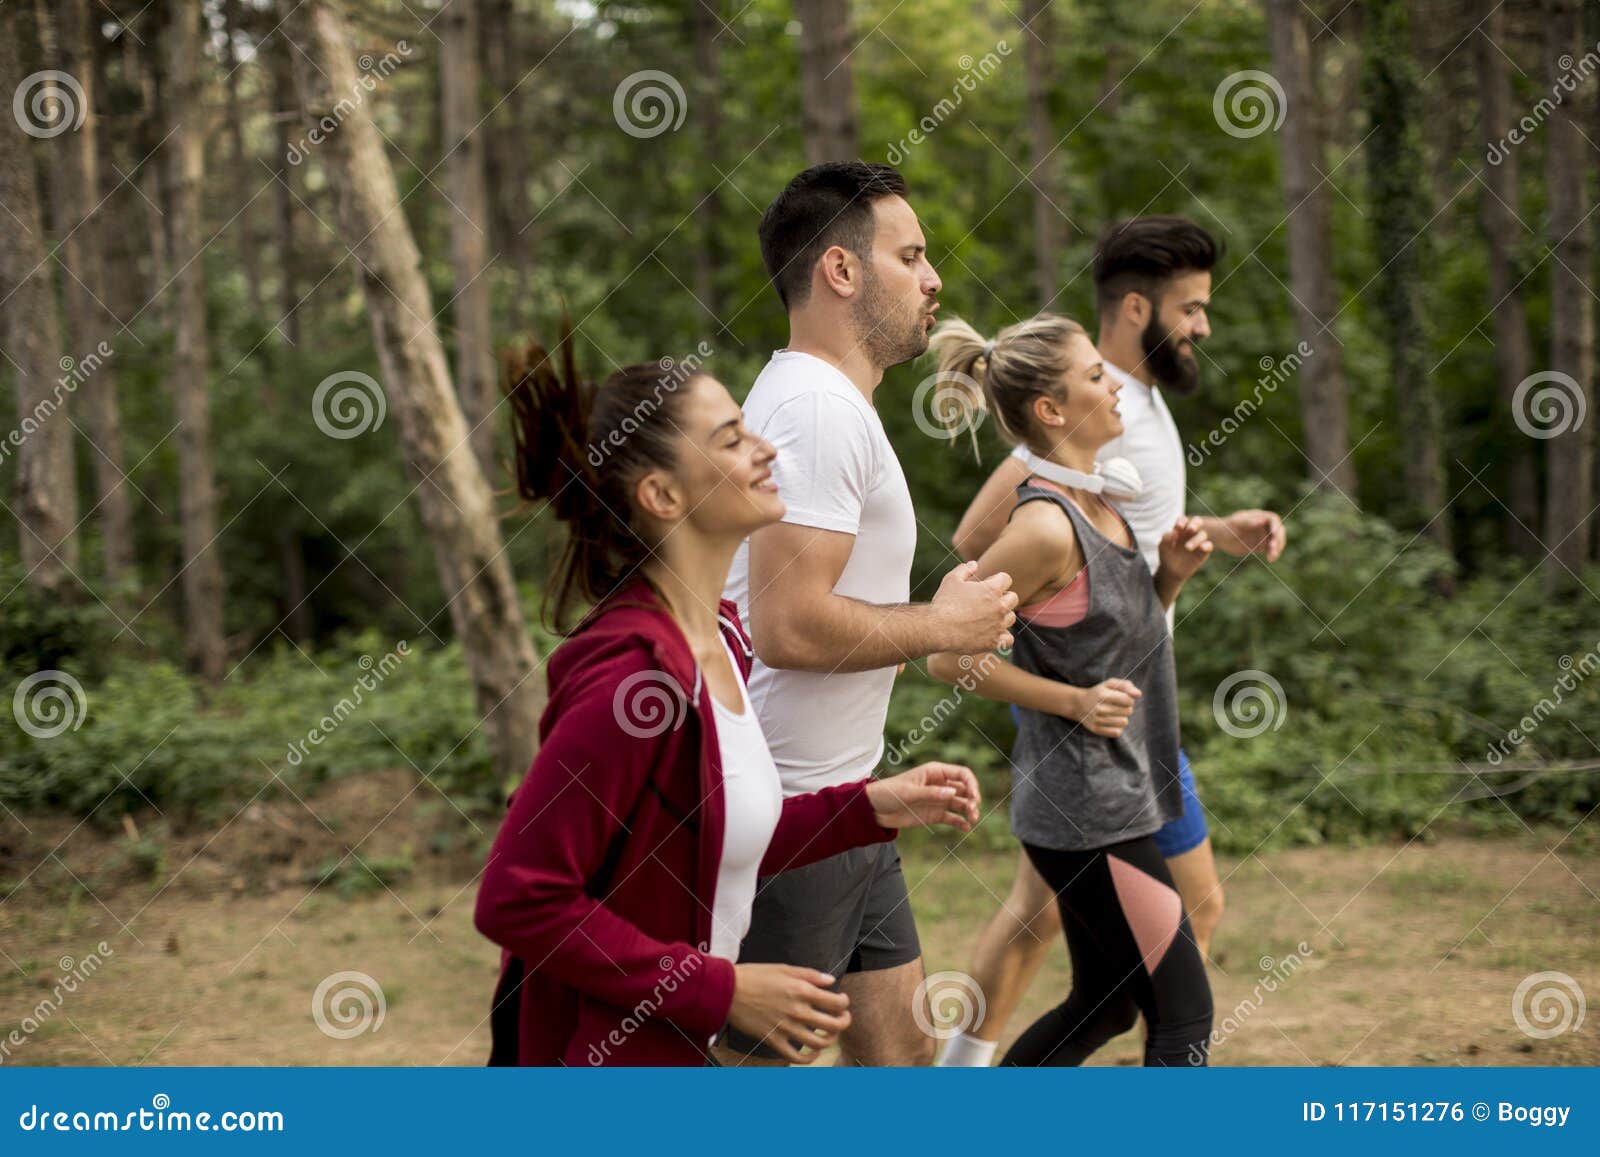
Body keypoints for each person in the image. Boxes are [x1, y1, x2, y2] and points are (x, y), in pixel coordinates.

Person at [472, 331, 982, 1067]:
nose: (767, 450)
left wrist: (863, 809)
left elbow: (704, 843)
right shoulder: (633, 682)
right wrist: (719, 989)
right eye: (732, 439)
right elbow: (518, 896)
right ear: (662, 495)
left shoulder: (719, 640)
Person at [934, 216, 1286, 1067]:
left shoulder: (1115, 461)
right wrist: (1066, 684)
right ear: (1136, 307)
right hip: (1091, 773)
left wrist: (1176, 567)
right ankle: (954, 1082)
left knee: (1107, 993)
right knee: (1173, 999)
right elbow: (959, 612)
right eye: (1191, 308)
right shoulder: (1058, 482)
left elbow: (1116, 592)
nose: (1203, 325)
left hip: (1128, 744)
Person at [717, 162, 1018, 1067]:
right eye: (911, 255)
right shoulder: (813, 409)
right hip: (789, 813)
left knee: (902, 1063)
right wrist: (943, 624)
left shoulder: (831, 404)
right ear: (840, 272)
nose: (934, 281)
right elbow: (789, 625)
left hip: (848, 802)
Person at [926, 312, 1215, 1065]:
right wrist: (1073, 703)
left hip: (1118, 796)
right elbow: (945, 657)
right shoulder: (1047, 525)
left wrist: (1170, 577)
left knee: (1108, 1001)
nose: (1114, 383)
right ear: (1051, 411)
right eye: (1095, 375)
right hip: (1088, 813)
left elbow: (1111, 639)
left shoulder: (1102, 501)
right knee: (1183, 1014)